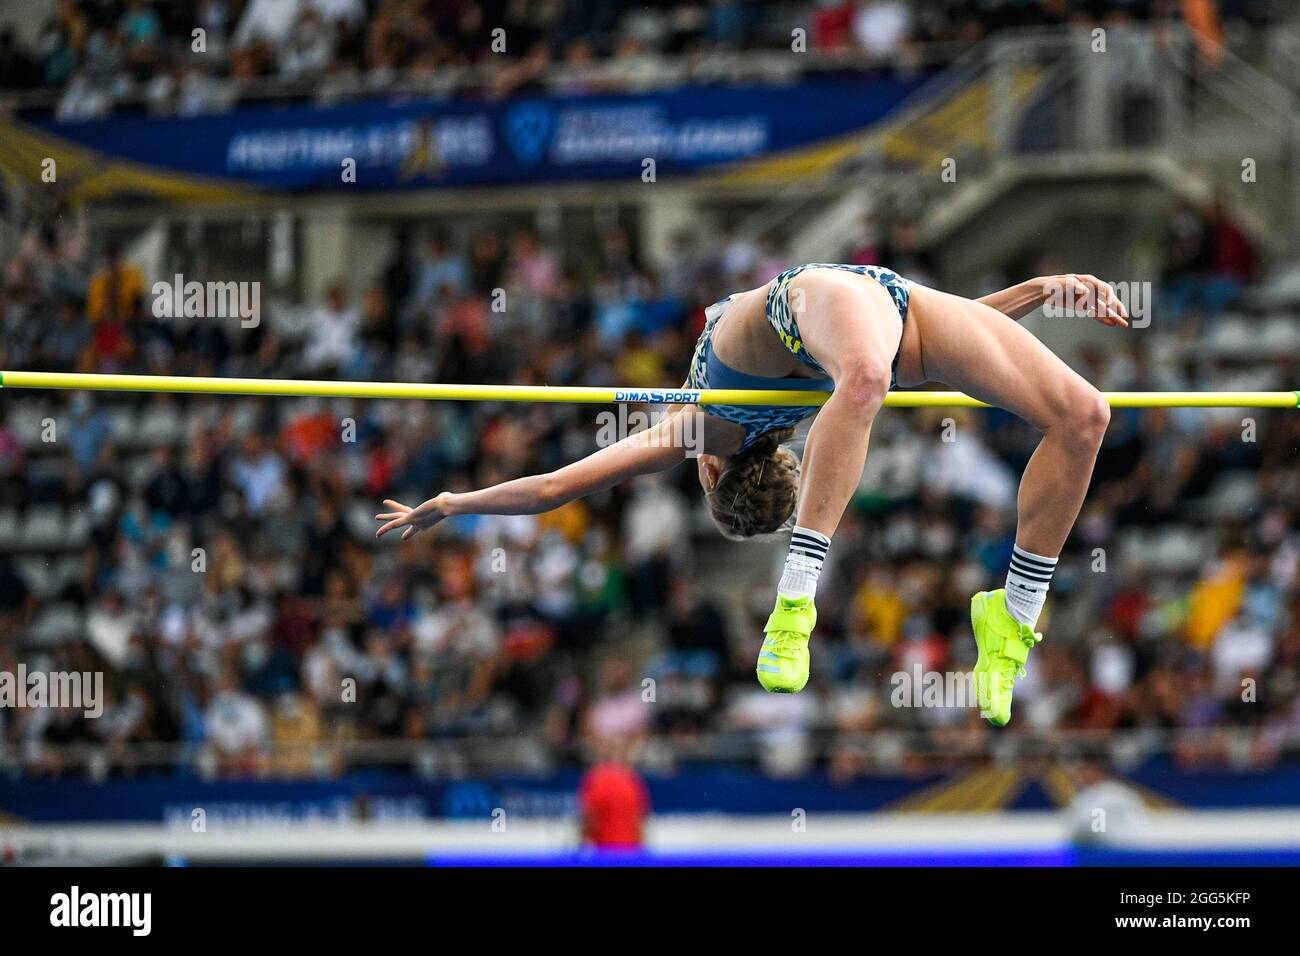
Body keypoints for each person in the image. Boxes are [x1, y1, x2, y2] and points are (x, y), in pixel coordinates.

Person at [377, 263, 1127, 726]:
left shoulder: (706, 430)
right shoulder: (724, 438)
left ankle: (815, 603)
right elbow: (556, 486)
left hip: (835, 307)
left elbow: (554, 488)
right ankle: (1006, 615)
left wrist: (454, 502)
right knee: (1080, 413)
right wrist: (1045, 289)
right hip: (885, 314)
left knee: (878, 382)